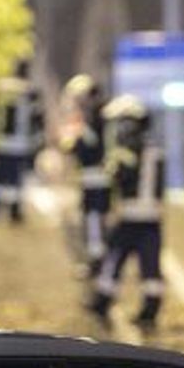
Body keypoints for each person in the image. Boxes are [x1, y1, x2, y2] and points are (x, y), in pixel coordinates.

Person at [89, 94, 167, 327]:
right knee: (150, 267)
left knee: (113, 260)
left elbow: (117, 180)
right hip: (152, 217)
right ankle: (150, 310)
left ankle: (102, 302)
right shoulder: (156, 149)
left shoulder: (125, 152)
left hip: (129, 216)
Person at [0, 58, 42, 223]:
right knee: (16, 180)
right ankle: (14, 212)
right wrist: (36, 145)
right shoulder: (29, 92)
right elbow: (37, 121)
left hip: (0, 143)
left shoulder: (1, 89)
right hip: (20, 145)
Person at [61, 73, 110, 263]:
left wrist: (73, 145)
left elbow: (87, 146)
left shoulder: (95, 117)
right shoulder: (103, 114)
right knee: (98, 214)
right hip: (99, 174)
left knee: (93, 215)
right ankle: (98, 252)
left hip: (95, 174)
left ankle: (97, 254)